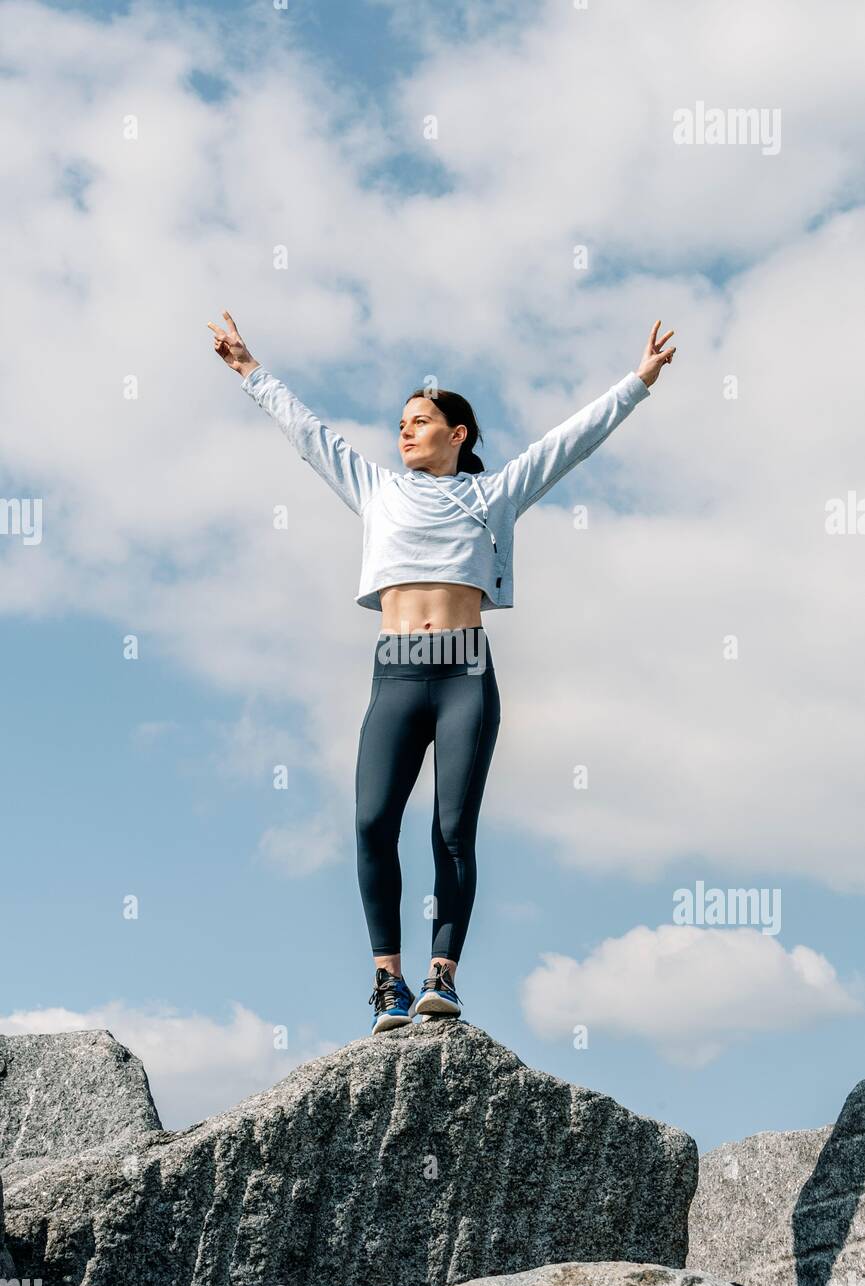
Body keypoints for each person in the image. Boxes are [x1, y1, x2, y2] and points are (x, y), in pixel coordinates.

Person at [207, 311, 675, 1034]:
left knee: (452, 831)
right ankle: (387, 982)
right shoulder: (374, 487)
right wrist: (249, 370)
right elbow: (309, 435)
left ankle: (442, 977)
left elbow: (567, 443)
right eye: (400, 421)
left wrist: (636, 383)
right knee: (370, 823)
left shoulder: (493, 495)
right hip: (394, 673)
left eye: (419, 420)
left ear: (457, 434)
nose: (403, 431)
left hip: (463, 673)